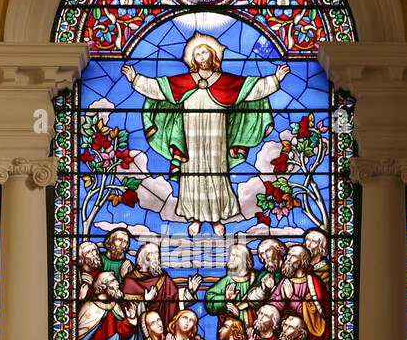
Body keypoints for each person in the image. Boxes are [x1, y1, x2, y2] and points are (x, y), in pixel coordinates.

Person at [122, 33, 289, 236]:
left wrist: (275, 79)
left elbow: (251, 89)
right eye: (197, 54)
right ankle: (195, 217)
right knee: (192, 172)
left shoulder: (226, 81)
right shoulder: (183, 82)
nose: (201, 57)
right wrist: (136, 79)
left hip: (216, 135)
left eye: (205, 52)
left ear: (213, 57)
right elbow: (159, 89)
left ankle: (217, 217)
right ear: (192, 60)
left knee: (216, 170)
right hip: (190, 136)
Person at [121, 242, 201, 329]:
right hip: (142, 333)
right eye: (153, 254)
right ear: (145, 257)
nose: (157, 257)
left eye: (158, 253)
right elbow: (125, 312)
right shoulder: (130, 282)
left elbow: (175, 300)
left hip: (165, 330)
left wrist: (190, 292)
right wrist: (145, 302)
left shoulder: (163, 277)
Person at [268, 244, 327, 340]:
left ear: (303, 261)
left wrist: (292, 298)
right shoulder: (285, 281)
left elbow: (316, 315)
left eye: (294, 256)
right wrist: (282, 298)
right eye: (289, 255)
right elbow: (272, 307)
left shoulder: (314, 282)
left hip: (308, 337)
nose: (288, 259)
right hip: (284, 332)